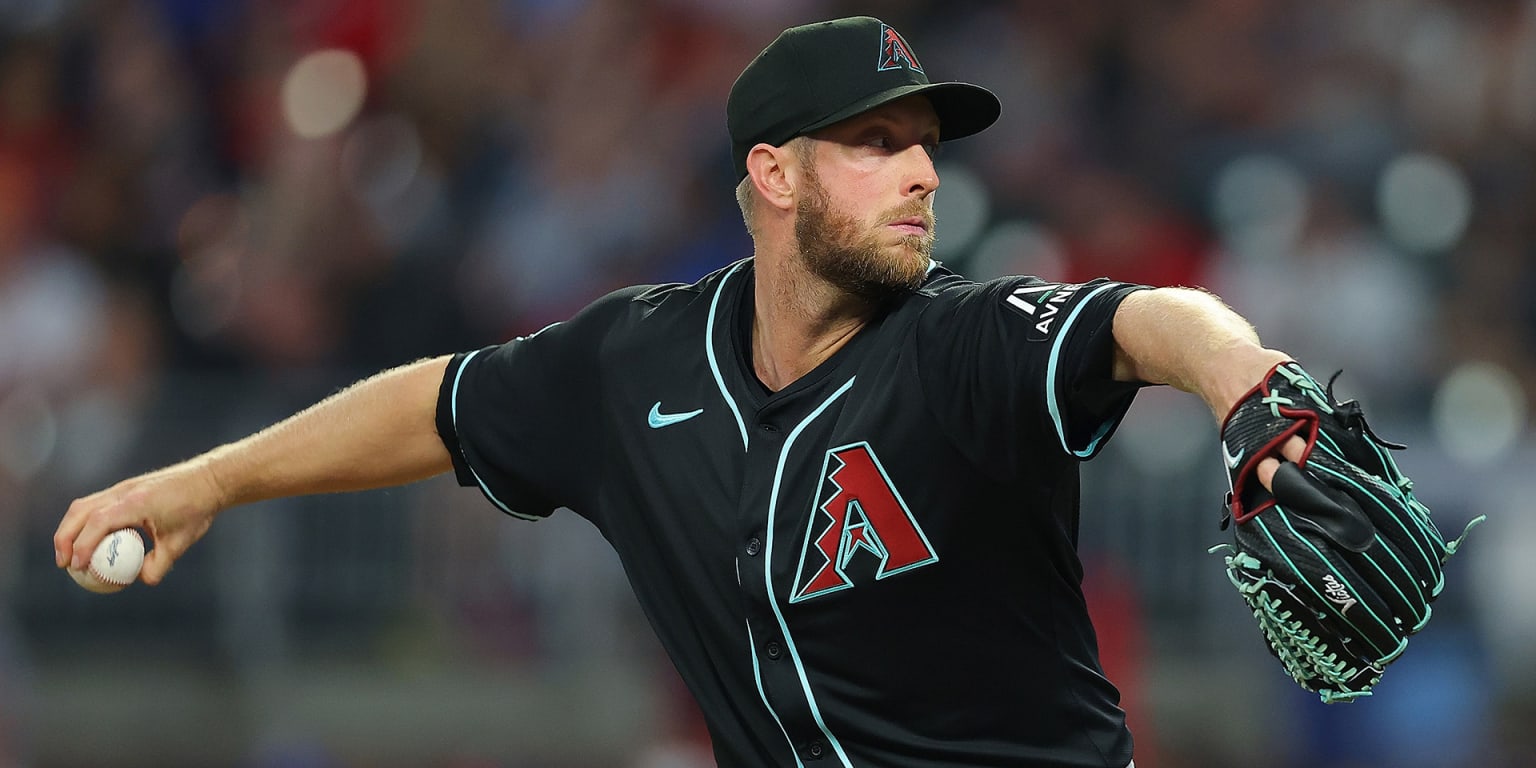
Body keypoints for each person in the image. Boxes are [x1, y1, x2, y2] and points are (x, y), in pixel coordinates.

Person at [57, 17, 1318, 768]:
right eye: (875, 145)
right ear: (774, 173)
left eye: (927, 144)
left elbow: (1144, 322)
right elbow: (439, 405)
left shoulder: (962, 343)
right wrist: (206, 478)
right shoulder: (638, 363)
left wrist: (1253, 395)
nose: (922, 172)